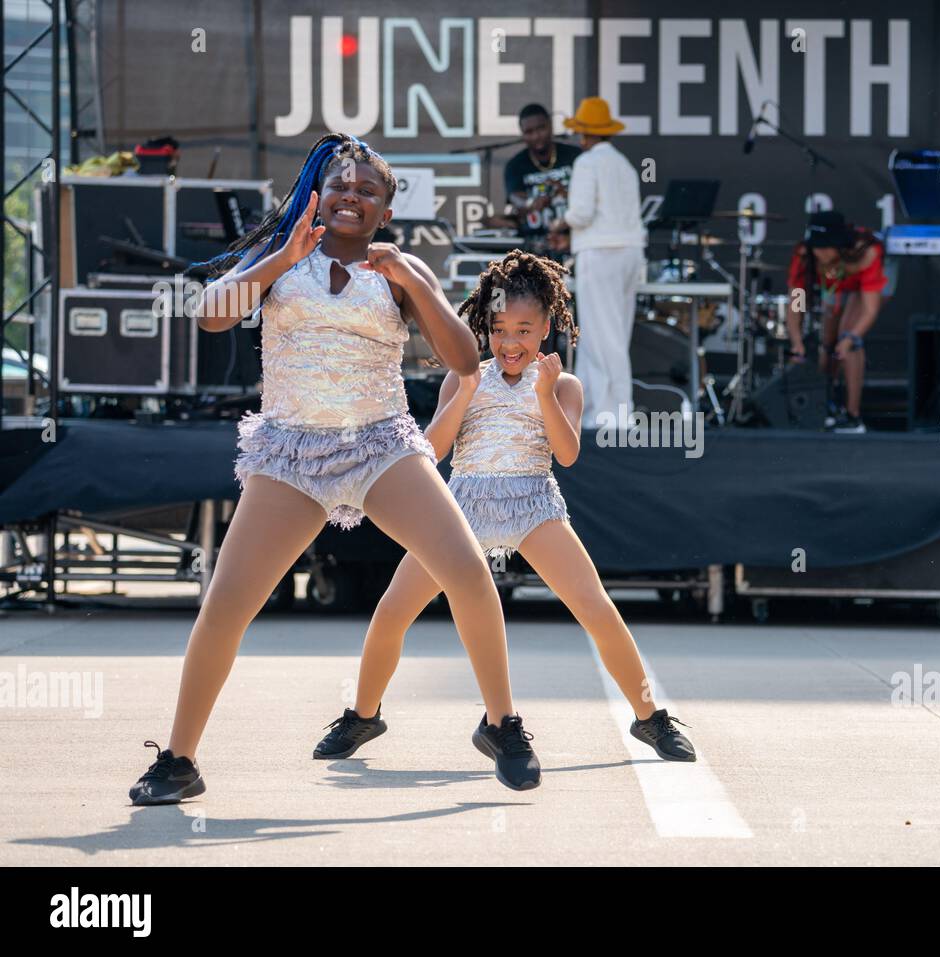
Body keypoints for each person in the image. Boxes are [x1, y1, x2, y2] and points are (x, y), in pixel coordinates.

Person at [128, 133, 541, 804]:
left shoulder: (400, 270)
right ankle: (178, 759)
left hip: (381, 447)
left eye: (367, 191)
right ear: (321, 193)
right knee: (227, 603)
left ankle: (502, 723)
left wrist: (410, 278)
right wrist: (278, 261)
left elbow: (466, 360)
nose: (353, 196)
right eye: (343, 186)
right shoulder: (285, 259)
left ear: (385, 208)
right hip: (292, 452)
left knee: (466, 571)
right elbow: (208, 314)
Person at [314, 250, 695, 766]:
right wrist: (466, 388)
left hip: (533, 503)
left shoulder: (562, 384)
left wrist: (543, 396)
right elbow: (433, 450)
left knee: (596, 607)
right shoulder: (463, 376)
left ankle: (650, 718)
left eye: (523, 331)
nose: (510, 343)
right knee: (391, 612)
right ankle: (363, 715)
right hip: (464, 504)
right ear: (485, 329)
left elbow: (566, 454)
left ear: (545, 331)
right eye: (499, 330)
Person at [548, 96, 648, 429]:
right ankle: (598, 412)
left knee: (601, 336)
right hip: (630, 252)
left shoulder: (587, 163)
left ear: (584, 135)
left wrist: (559, 225)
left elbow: (581, 213)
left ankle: (615, 415)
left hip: (601, 254)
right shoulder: (625, 165)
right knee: (613, 333)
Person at [785, 210, 886, 433]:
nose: (818, 252)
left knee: (847, 338)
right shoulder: (806, 256)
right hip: (838, 284)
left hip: (868, 285)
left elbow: (869, 310)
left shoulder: (866, 253)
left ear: (839, 245)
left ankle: (853, 416)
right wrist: (796, 342)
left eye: (824, 246)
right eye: (816, 246)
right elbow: (796, 304)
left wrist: (850, 339)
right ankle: (825, 404)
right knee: (827, 343)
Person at [503, 103, 582, 256]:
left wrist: (564, 192)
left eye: (541, 128)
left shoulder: (574, 156)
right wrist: (532, 202)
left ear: (551, 126)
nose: (536, 136)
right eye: (529, 132)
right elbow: (514, 196)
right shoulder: (515, 165)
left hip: (573, 238)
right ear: (522, 134)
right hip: (536, 243)